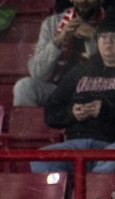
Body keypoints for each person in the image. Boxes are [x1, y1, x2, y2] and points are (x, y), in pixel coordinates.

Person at [35, 17, 115, 174]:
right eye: (103, 37)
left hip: (110, 144)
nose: (108, 42)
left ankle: (93, 191)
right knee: (41, 159)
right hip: (77, 144)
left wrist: (105, 110)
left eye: (114, 37)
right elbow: (51, 112)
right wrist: (72, 113)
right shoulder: (80, 70)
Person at [14, 0, 103, 109]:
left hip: (95, 94)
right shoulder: (52, 23)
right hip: (60, 90)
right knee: (24, 87)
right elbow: (38, 74)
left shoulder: (109, 24)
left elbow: (108, 76)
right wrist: (57, 41)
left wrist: (92, 39)